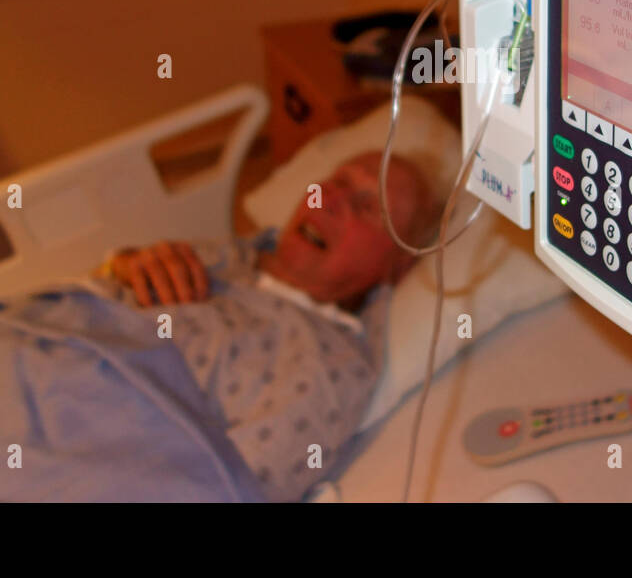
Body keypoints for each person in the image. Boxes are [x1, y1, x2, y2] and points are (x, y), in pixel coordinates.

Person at [100, 150, 438, 500]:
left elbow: (215, 490)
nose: (332, 200)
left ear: (397, 267)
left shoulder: (326, 368)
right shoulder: (220, 256)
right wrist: (122, 266)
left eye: (369, 207)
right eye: (338, 181)